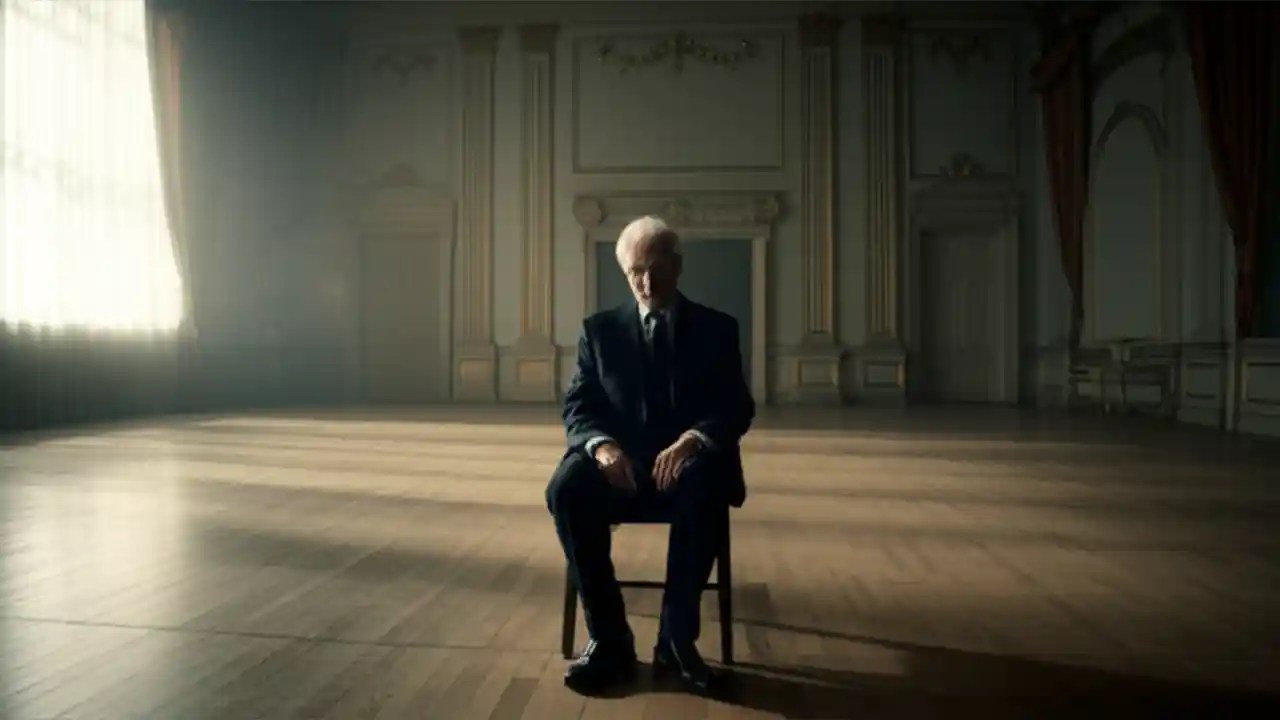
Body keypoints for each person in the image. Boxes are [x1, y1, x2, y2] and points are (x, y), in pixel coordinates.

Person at [545, 215, 755, 695]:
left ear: (677, 266)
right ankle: (610, 639)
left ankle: (676, 643)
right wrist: (601, 447)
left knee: (705, 484)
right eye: (634, 272)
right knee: (566, 488)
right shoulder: (598, 332)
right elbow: (578, 409)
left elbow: (736, 407)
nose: (645, 282)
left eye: (655, 268)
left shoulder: (718, 329)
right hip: (619, 468)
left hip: (690, 467)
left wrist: (693, 440)